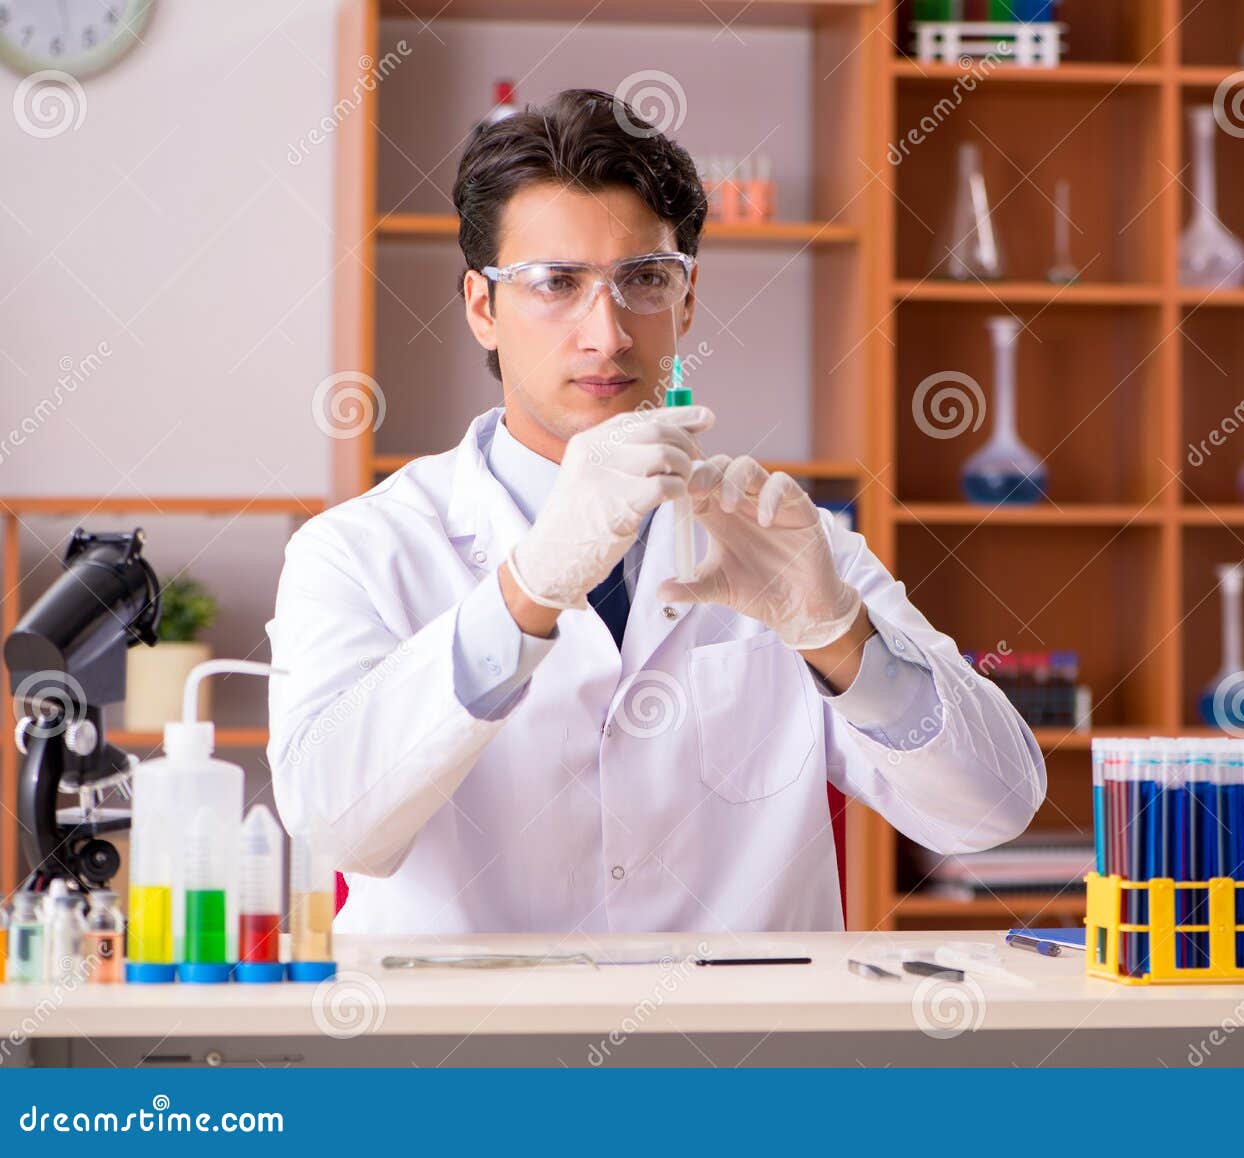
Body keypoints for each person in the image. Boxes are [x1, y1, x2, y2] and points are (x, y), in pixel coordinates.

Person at [266, 88, 1044, 935]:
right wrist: (524, 593)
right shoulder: (357, 550)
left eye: (643, 279)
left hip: (739, 1058)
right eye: (555, 283)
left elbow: (992, 811)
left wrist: (835, 633)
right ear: (483, 307)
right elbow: (334, 823)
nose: (607, 333)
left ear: (688, 300)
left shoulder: (792, 543)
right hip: (471, 1058)